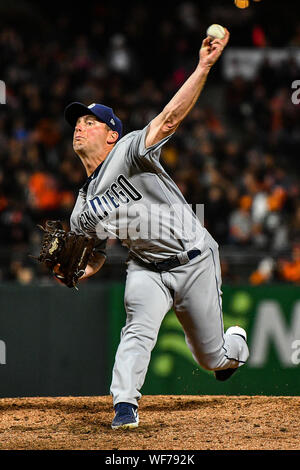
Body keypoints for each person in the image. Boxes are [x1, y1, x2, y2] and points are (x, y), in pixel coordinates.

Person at [63, 28, 249, 429]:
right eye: (76, 122)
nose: (79, 126)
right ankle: (124, 408)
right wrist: (81, 270)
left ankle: (236, 341)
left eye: (89, 122)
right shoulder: (81, 209)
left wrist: (203, 66)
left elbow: (168, 119)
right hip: (147, 267)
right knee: (137, 329)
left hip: (194, 258)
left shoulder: (129, 149)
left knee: (212, 358)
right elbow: (95, 252)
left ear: (111, 134)